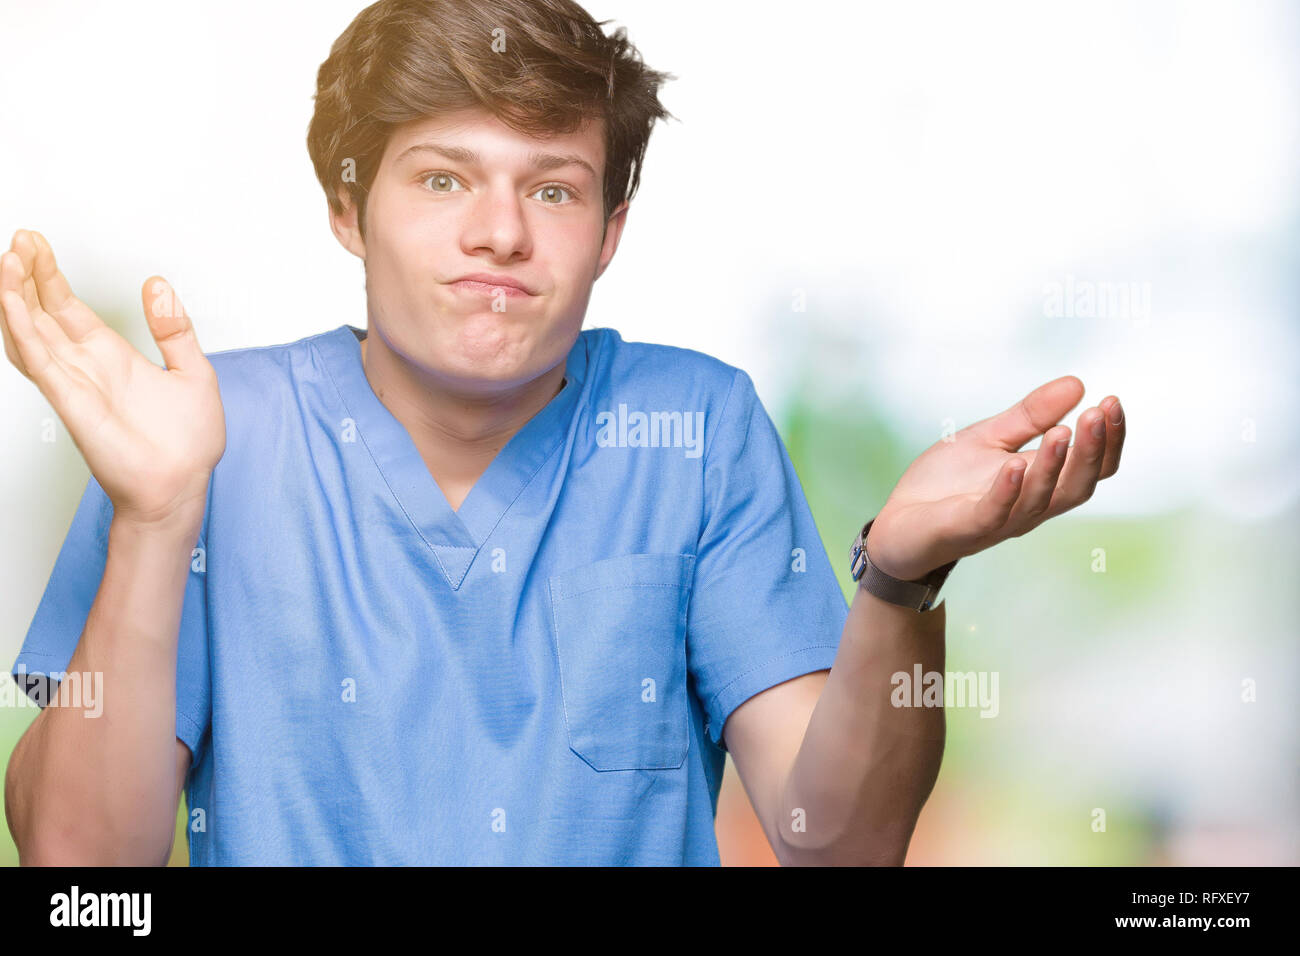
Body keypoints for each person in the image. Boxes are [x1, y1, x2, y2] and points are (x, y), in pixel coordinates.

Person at [2, 0, 1125, 866]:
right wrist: (154, 519)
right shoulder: (197, 438)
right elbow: (82, 871)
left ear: (610, 228)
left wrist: (900, 578)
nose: (499, 234)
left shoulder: (694, 431)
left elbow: (834, 842)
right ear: (346, 207)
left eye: (552, 190)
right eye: (443, 179)